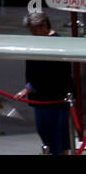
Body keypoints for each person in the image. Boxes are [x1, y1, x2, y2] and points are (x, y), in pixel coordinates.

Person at [16, 12, 74, 154]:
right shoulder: (38, 41)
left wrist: (29, 88)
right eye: (31, 30)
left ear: (44, 26)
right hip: (42, 96)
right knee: (52, 133)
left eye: (34, 30)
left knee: (53, 132)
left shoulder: (57, 43)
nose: (32, 33)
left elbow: (50, 72)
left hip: (53, 97)